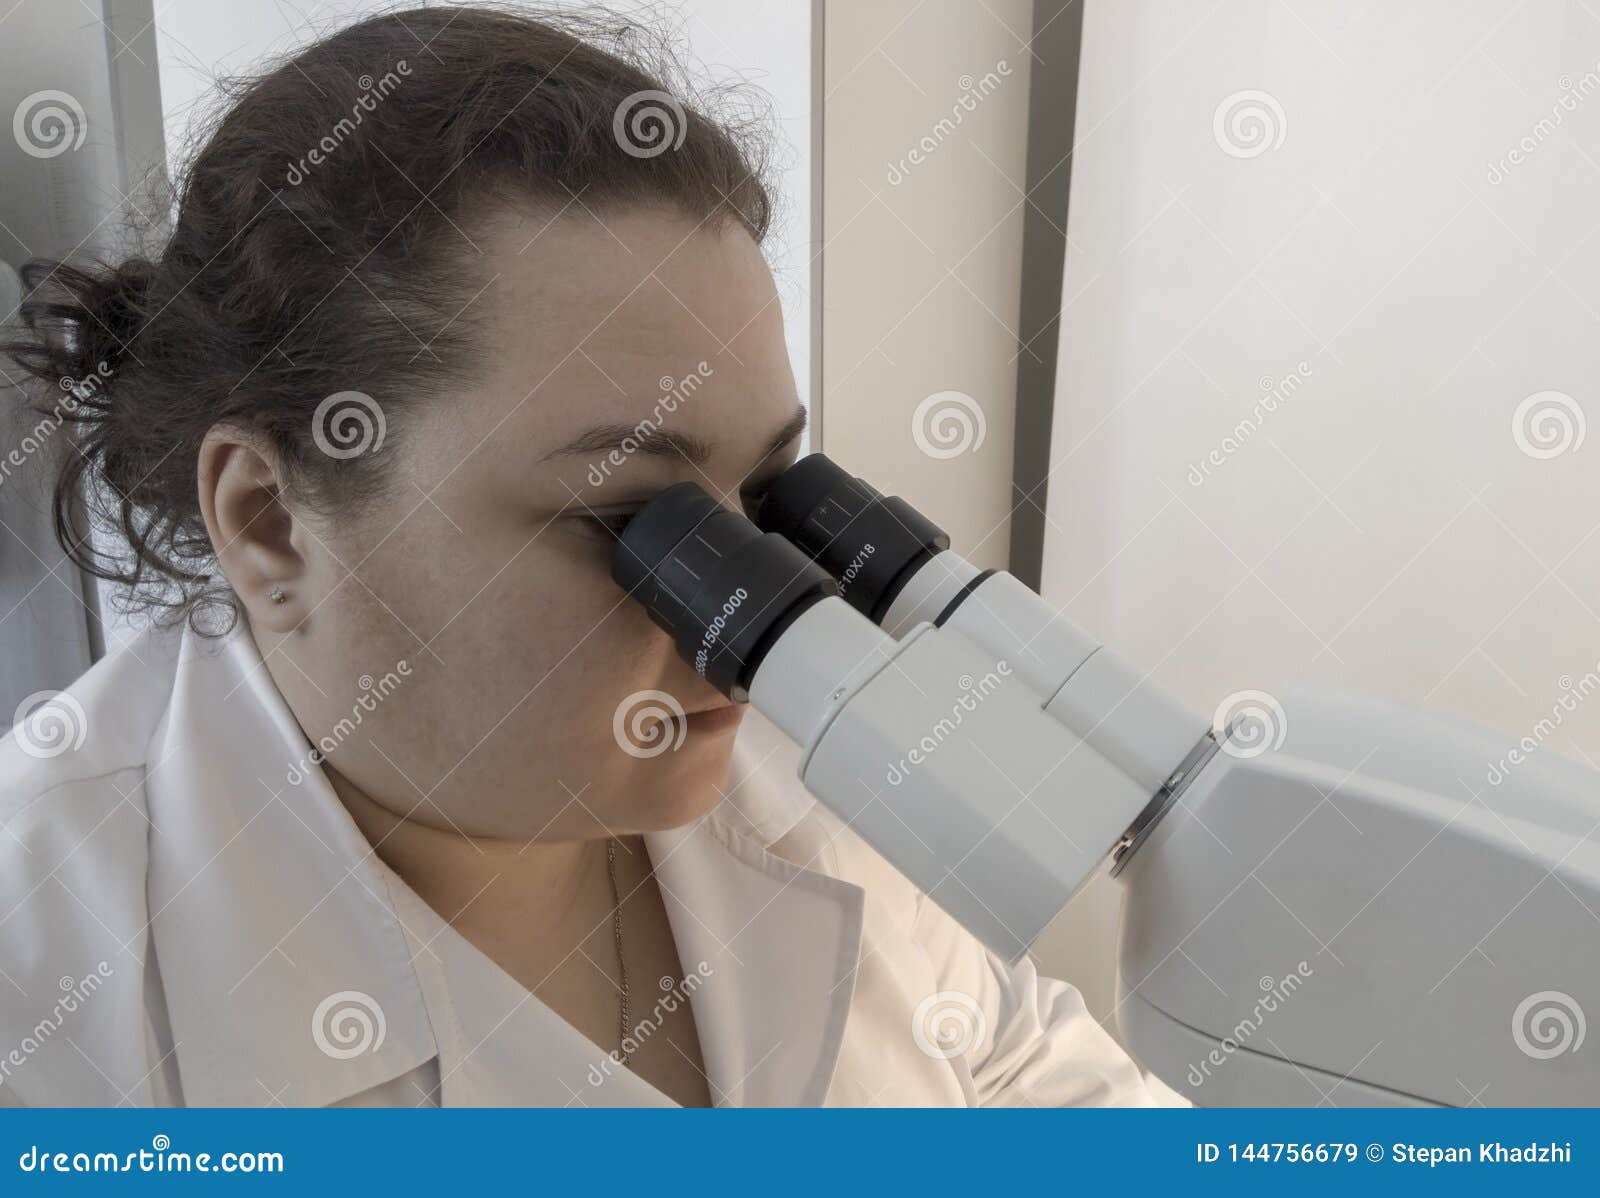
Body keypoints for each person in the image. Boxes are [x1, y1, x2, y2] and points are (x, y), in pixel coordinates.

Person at [0, 4, 1170, 1108]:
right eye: (633, 520)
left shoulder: (815, 768)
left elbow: (1017, 1062)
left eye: (766, 498)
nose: (756, 629)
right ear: (268, 522)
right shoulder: (42, 996)